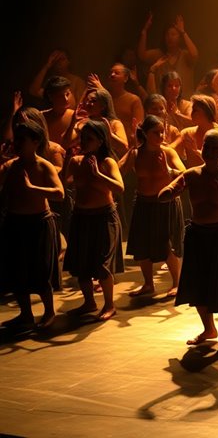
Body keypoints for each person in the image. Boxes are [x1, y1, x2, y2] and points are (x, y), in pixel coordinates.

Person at [159, 129, 218, 348]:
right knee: (197, 286)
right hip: (198, 234)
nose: (208, 151)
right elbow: (164, 194)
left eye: (214, 147)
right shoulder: (192, 174)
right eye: (206, 146)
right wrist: (170, 189)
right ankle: (209, 328)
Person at [0, 121, 64, 329]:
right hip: (15, 222)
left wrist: (32, 187)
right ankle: (26, 314)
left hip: (38, 224)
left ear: (35, 142)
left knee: (41, 271)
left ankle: (49, 312)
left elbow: (60, 193)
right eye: (16, 139)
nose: (18, 143)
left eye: (22, 140)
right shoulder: (11, 166)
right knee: (18, 271)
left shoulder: (43, 165)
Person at [61, 120, 125, 321]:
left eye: (89, 139)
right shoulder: (76, 161)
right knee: (82, 264)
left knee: (102, 264)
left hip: (104, 217)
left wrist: (97, 173)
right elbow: (63, 182)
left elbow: (119, 187)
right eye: (83, 138)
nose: (84, 142)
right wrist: (67, 160)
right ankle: (89, 302)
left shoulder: (107, 162)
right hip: (81, 217)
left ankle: (109, 304)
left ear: (99, 141)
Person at [118, 115, 186, 297]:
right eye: (156, 133)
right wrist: (131, 147)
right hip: (143, 202)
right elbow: (118, 170)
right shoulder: (136, 153)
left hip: (166, 203)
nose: (161, 136)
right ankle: (148, 284)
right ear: (145, 134)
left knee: (168, 245)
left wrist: (170, 171)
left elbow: (184, 175)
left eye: (162, 132)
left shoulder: (168, 152)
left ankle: (176, 283)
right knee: (142, 245)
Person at [138, 13, 199, 95]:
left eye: (173, 34)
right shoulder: (159, 54)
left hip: (184, 103)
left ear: (180, 38)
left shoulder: (185, 55)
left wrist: (183, 32)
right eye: (167, 34)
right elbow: (142, 55)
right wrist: (144, 31)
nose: (169, 37)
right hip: (162, 103)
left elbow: (194, 54)